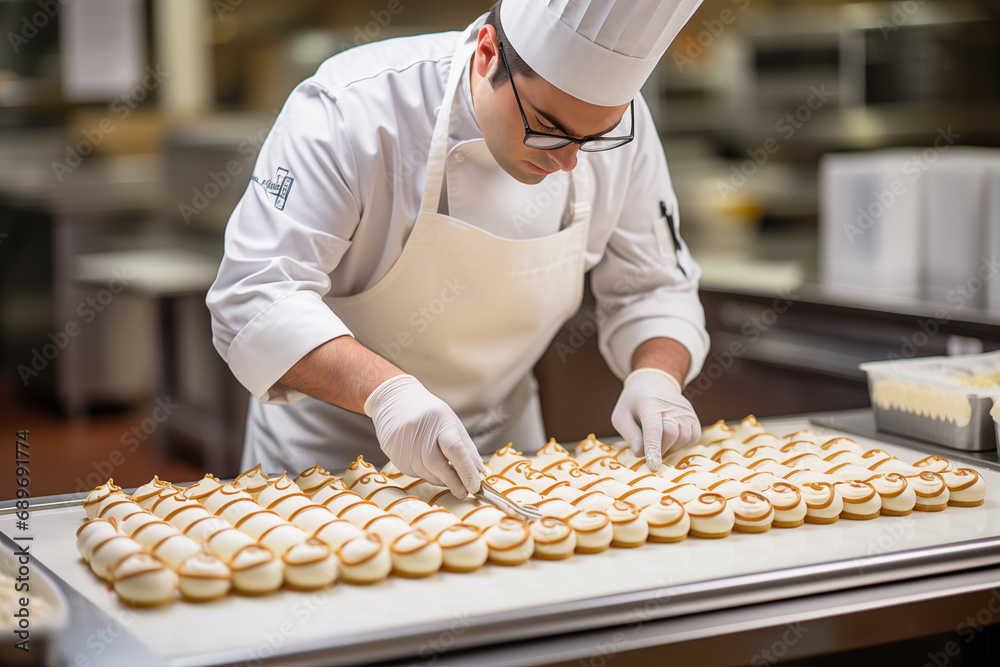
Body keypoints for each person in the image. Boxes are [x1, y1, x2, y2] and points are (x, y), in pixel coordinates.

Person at [207, 0, 709, 499]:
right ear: (487, 54)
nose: (568, 162)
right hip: (325, 469)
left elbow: (655, 287)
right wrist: (388, 396)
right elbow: (254, 297)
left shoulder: (622, 130)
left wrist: (657, 376)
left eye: (592, 137)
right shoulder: (352, 109)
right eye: (547, 126)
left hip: (508, 467)